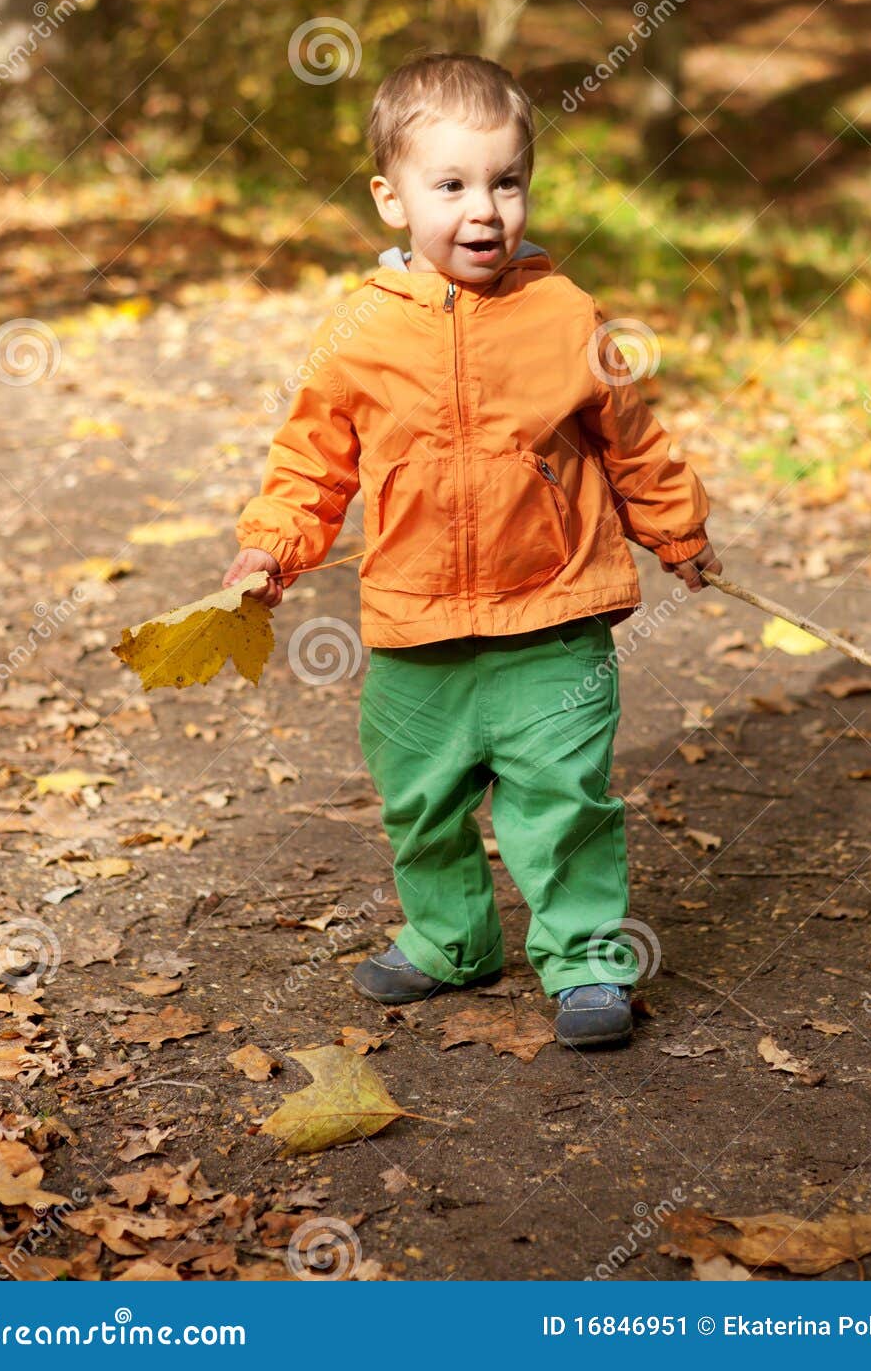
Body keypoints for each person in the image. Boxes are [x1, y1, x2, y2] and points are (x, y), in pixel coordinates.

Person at [222, 51, 722, 1049]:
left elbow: (633, 439)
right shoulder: (359, 332)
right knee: (421, 799)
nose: (484, 209)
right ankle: (453, 939)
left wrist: (677, 530)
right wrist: (270, 551)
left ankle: (585, 959)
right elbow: (311, 463)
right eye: (450, 185)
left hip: (556, 616)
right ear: (391, 199)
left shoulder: (566, 315)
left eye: (506, 181)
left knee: (562, 797)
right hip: (414, 626)